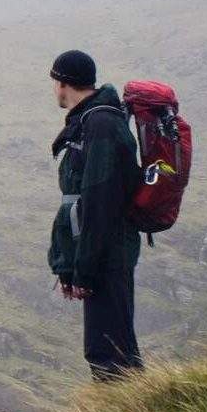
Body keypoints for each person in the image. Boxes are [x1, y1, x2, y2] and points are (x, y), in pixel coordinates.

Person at [47, 49, 144, 380]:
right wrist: (71, 267)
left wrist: (84, 271)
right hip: (102, 254)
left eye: (55, 82)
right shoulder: (92, 121)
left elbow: (99, 203)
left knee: (109, 352)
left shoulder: (100, 125)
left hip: (108, 256)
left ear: (64, 83)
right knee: (111, 345)